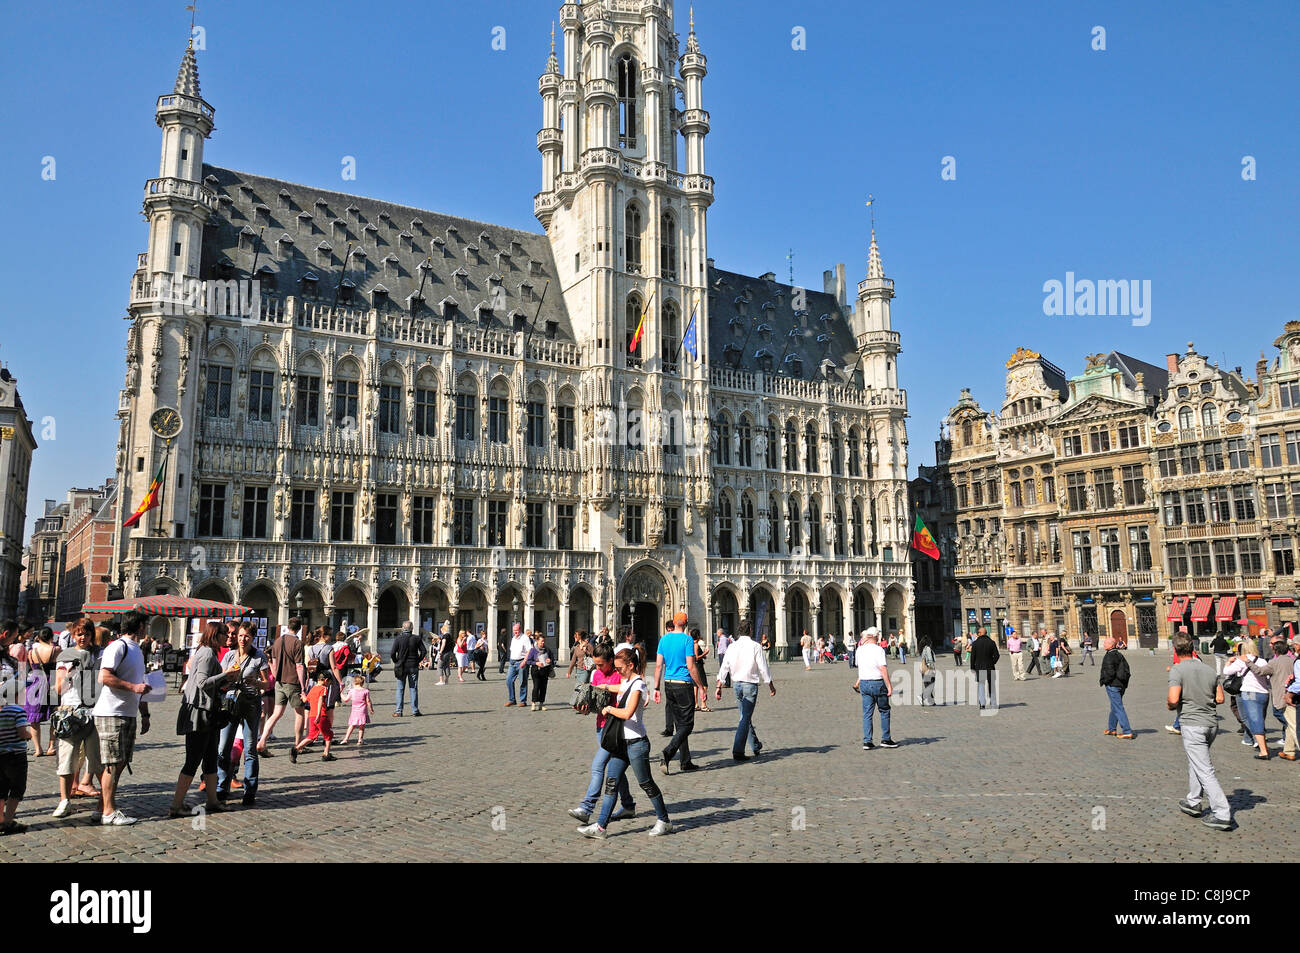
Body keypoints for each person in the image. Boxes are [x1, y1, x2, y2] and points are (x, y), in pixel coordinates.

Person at [577, 646, 674, 838]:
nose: (618, 672)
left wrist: (609, 709)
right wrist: (602, 687)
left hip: (637, 744)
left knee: (646, 783)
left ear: (630, 665)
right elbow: (618, 688)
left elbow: (628, 713)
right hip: (621, 743)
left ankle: (664, 820)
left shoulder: (638, 685)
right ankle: (601, 827)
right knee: (611, 783)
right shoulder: (626, 681)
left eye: (620, 668)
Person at [1168, 632, 1234, 831]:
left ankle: (1222, 813)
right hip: (1211, 724)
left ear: (1175, 649)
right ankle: (1193, 801)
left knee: (1205, 769)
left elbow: (1173, 699)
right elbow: (1220, 698)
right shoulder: (1209, 669)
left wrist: (1171, 704)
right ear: (1193, 647)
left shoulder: (1177, 670)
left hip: (1193, 724)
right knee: (1196, 762)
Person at [92, 610, 151, 826]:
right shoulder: (118, 646)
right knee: (112, 764)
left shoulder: (137, 650)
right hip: (111, 712)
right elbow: (104, 676)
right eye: (146, 625)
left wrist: (145, 713)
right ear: (141, 626)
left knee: (121, 762)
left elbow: (140, 683)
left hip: (128, 712)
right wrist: (134, 687)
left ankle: (101, 807)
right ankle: (109, 812)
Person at [169, 621, 233, 819]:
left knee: (211, 757)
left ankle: (212, 800)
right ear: (215, 635)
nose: (228, 637)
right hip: (198, 713)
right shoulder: (206, 654)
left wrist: (226, 680)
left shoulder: (209, 652)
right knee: (193, 760)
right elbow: (202, 683)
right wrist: (226, 674)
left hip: (208, 712)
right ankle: (176, 805)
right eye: (225, 633)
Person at [568, 642, 636, 824]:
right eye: (596, 664)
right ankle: (628, 805)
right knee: (616, 768)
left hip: (616, 728)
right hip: (601, 727)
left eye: (601, 664)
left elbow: (627, 689)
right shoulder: (596, 674)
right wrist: (584, 708)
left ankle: (586, 807)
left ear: (611, 661)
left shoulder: (620, 674)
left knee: (598, 766)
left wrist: (606, 687)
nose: (598, 668)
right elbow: (594, 703)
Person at [51, 619, 101, 818]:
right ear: (73, 635)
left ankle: (104, 804)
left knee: (97, 759)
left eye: (87, 634)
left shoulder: (99, 654)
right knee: (66, 758)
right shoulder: (65, 656)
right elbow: (58, 689)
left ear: (91, 635)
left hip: (94, 710)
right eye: (79, 634)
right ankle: (64, 801)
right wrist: (69, 675)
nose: (83, 638)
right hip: (70, 710)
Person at [217, 622, 268, 806]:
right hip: (230, 704)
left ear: (252, 637)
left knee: (250, 748)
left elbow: (267, 684)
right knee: (223, 747)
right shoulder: (229, 656)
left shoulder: (259, 656)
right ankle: (221, 788)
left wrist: (256, 682)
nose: (242, 639)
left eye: (246, 636)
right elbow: (221, 680)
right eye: (240, 635)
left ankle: (250, 790)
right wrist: (228, 676)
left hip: (250, 704)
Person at [714, 619, 775, 761]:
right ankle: (738, 750)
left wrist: (719, 686)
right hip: (750, 685)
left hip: (737, 685)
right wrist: (771, 685)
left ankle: (755, 745)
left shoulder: (732, 646)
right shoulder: (755, 646)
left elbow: (724, 667)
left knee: (744, 716)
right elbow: (763, 668)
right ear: (751, 630)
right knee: (745, 718)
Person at [654, 611, 705, 774]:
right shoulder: (687, 640)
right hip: (683, 684)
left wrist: (656, 688)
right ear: (686, 624)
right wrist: (701, 687)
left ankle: (685, 761)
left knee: (679, 725)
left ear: (674, 623)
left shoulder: (663, 639)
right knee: (687, 725)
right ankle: (668, 752)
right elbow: (691, 666)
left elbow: (658, 666)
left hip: (668, 684)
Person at [258, 617, 308, 754]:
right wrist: (303, 687)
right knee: (299, 714)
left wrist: (277, 678)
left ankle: (262, 741)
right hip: (293, 682)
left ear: (288, 627)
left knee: (276, 714)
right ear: (299, 628)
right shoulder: (298, 643)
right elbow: (299, 666)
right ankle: (298, 745)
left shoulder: (278, 641)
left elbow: (274, 665)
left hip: (279, 682)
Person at [1224, 638, 1272, 759]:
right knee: (1261, 718)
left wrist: (1228, 662)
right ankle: (1254, 740)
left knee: (1252, 718)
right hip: (1264, 693)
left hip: (1249, 692)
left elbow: (1226, 671)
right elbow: (1267, 677)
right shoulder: (1262, 661)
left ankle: (1262, 749)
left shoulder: (1241, 661)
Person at [854, 629, 896, 749]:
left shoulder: (859, 650)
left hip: (864, 683)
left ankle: (867, 741)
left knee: (867, 713)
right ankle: (886, 739)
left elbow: (859, 666)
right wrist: (889, 686)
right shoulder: (879, 650)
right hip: (877, 682)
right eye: (878, 635)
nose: (878, 637)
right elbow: (883, 669)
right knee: (884, 710)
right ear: (875, 636)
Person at [23, 627, 58, 757]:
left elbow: (31, 667)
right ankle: (51, 746)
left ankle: (38, 749)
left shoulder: (31, 652)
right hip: (51, 683)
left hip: (35, 683)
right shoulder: (55, 650)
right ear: (51, 637)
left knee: (34, 718)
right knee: (54, 716)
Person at [0, 697, 32, 834]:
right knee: (17, 788)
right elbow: (22, 733)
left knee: (1, 790)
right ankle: (8, 821)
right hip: (16, 756)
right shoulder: (17, 711)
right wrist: (29, 735)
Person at [1265, 634, 1296, 761]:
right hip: (1283, 693)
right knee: (1289, 722)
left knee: (1291, 723)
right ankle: (1289, 751)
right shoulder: (1277, 659)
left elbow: (1261, 671)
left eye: (1272, 644)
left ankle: (1290, 746)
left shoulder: (1291, 659)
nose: (1270, 646)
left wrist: (1249, 663)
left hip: (1287, 694)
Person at [295, 670, 336, 762]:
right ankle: (326, 754)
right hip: (321, 715)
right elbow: (320, 700)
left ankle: (296, 749)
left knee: (311, 736)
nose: (329, 685)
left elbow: (306, 700)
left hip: (311, 716)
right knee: (329, 735)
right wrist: (319, 714)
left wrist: (303, 696)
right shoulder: (323, 688)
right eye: (329, 682)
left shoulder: (313, 688)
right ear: (326, 680)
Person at [1099, 635, 1135, 739]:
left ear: (1111, 645)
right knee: (1114, 706)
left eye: (1105, 643)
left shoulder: (1109, 656)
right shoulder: (1119, 654)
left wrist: (1105, 681)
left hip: (1113, 685)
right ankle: (1112, 729)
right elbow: (1127, 668)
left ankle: (1127, 731)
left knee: (1118, 707)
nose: (1103, 644)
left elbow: (1110, 672)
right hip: (1121, 684)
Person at [390, 621, 426, 717]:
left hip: (401, 666)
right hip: (413, 665)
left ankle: (398, 711)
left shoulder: (398, 638)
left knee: (400, 689)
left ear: (402, 628)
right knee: (413, 688)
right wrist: (418, 660)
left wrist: (396, 661)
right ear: (412, 628)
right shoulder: (417, 638)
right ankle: (415, 710)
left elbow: (392, 653)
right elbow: (424, 651)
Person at [970, 626, 1000, 709]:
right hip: (990, 667)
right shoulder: (992, 642)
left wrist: (972, 667)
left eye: (978, 633)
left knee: (981, 685)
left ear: (980, 633)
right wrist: (992, 662)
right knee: (992, 686)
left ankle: (982, 704)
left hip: (979, 667)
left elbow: (973, 657)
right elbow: (997, 655)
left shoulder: (975, 643)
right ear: (986, 633)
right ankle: (993, 704)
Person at [340, 674, 373, 747]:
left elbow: (346, 700)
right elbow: (368, 701)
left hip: (354, 711)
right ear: (362, 683)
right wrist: (371, 709)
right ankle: (360, 740)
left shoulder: (352, 691)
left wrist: (341, 693)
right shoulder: (366, 691)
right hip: (363, 711)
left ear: (354, 682)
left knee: (351, 725)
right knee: (362, 726)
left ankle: (346, 739)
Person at [525, 633, 554, 711]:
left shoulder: (547, 649)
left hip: (545, 670)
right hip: (536, 671)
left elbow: (552, 659)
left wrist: (550, 660)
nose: (543, 643)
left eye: (544, 641)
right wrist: (536, 663)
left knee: (543, 687)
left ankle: (541, 704)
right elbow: (528, 661)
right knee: (536, 686)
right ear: (537, 641)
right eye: (541, 641)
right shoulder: (533, 650)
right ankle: (533, 703)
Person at [506, 623, 532, 707]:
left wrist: (525, 661)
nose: (515, 632)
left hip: (521, 661)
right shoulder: (513, 638)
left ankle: (523, 701)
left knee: (522, 682)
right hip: (512, 662)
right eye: (514, 630)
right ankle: (512, 699)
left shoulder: (525, 638)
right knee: (509, 680)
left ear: (520, 629)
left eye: (516, 630)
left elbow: (529, 650)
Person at [692, 628, 712, 711]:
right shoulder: (696, 645)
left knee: (695, 685)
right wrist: (705, 653)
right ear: (697, 635)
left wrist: (703, 656)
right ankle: (703, 704)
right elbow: (696, 657)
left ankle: (696, 704)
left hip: (694, 665)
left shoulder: (691, 644)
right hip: (699, 666)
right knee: (704, 685)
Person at [918, 637, 937, 706]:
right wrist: (932, 669)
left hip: (924, 670)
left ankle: (931, 701)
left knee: (928, 685)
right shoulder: (928, 648)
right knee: (931, 685)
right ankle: (921, 697)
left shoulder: (923, 649)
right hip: (928, 669)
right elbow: (930, 660)